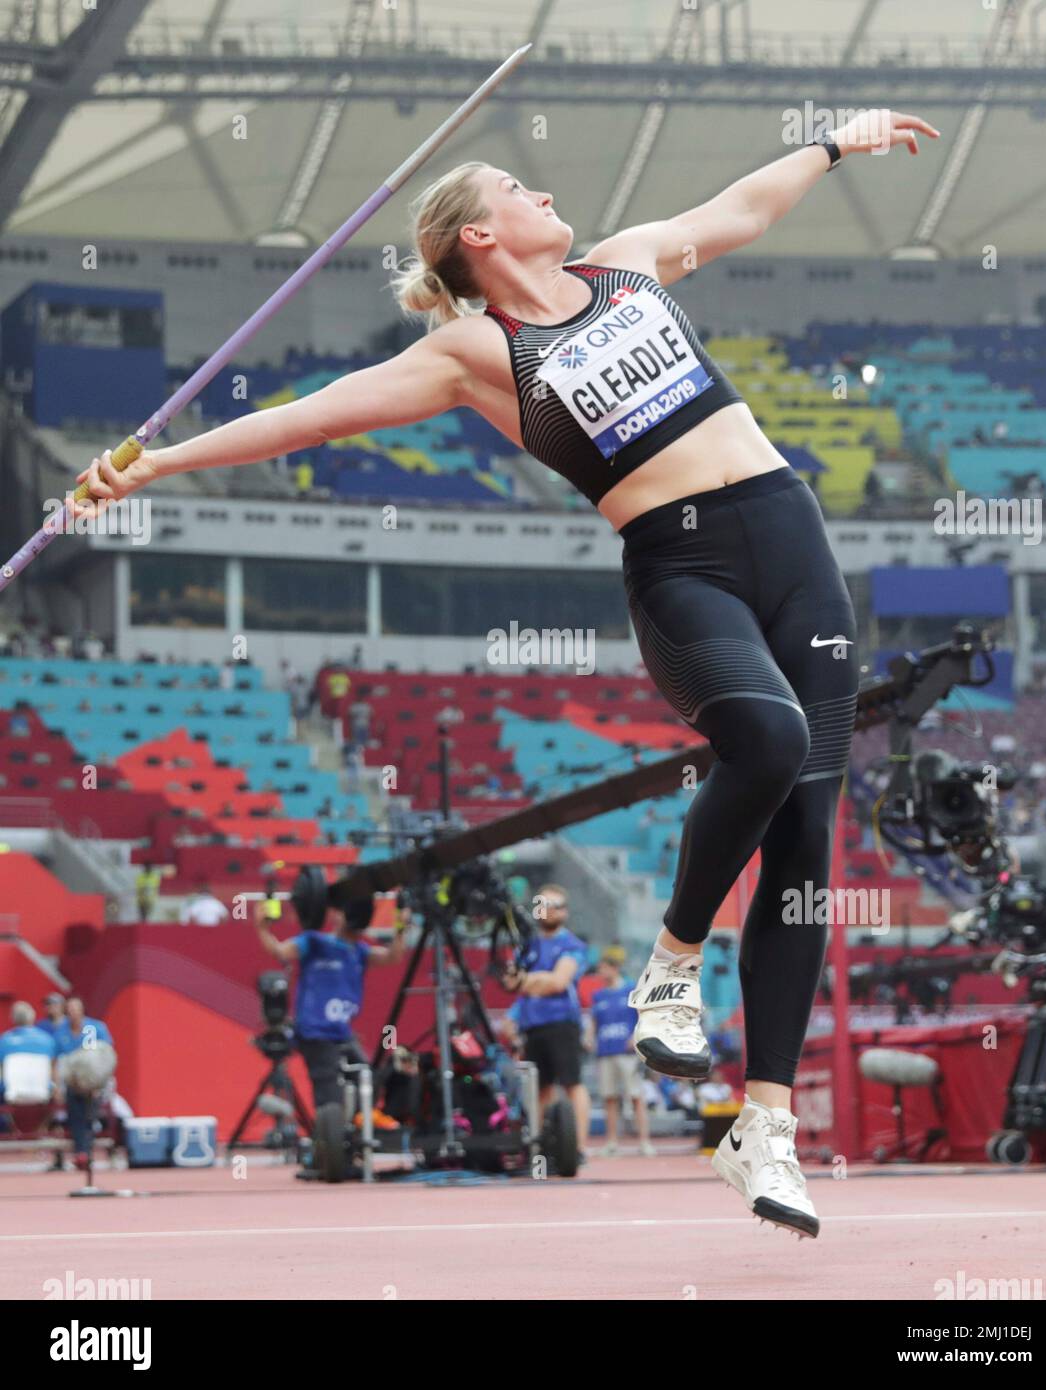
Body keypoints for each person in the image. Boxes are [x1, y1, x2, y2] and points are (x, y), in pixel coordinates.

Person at [69, 109, 939, 1237]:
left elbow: (739, 210)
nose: (544, 195)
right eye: (520, 189)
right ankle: (670, 968)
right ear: (479, 234)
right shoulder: (472, 353)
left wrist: (831, 144)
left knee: (807, 834)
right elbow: (307, 421)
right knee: (765, 743)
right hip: (681, 566)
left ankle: (761, 1126)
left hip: (792, 540)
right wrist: (158, 463)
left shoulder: (624, 266)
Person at [254, 896, 407, 1110]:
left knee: (369, 1079)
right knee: (330, 1096)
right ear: (336, 916)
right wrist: (262, 928)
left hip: (342, 1033)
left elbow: (393, 957)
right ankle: (331, 1137)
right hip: (315, 1033)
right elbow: (279, 951)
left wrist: (400, 928)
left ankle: (356, 1131)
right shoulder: (314, 942)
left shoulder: (360, 951)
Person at [501, 884, 590, 1163]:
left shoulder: (572, 946)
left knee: (572, 1083)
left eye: (556, 905)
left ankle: (578, 1148)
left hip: (562, 1023)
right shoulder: (526, 946)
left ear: (564, 912)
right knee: (538, 1088)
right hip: (532, 1026)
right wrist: (535, 984)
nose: (550, 910)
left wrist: (529, 982)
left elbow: (558, 982)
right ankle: (536, 1146)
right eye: (545, 905)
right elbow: (509, 981)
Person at [585, 948, 654, 1158]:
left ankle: (644, 1142)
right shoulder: (598, 996)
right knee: (609, 1098)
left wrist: (636, 1036)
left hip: (627, 1054)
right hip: (605, 1052)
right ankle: (612, 1142)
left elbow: (645, 1016)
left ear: (614, 968)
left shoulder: (631, 990)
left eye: (604, 968)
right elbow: (593, 1021)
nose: (601, 972)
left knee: (635, 1097)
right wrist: (589, 1036)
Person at [53, 998, 115, 1170]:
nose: (73, 1012)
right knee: (75, 1111)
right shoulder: (61, 1032)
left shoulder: (96, 1028)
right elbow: (57, 1062)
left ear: (82, 1010)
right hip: (73, 1083)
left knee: (90, 1109)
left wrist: (98, 1083)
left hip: (96, 1081)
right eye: (69, 1009)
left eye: (76, 1008)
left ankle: (85, 1150)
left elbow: (107, 1057)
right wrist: (58, 1086)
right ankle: (82, 1153)